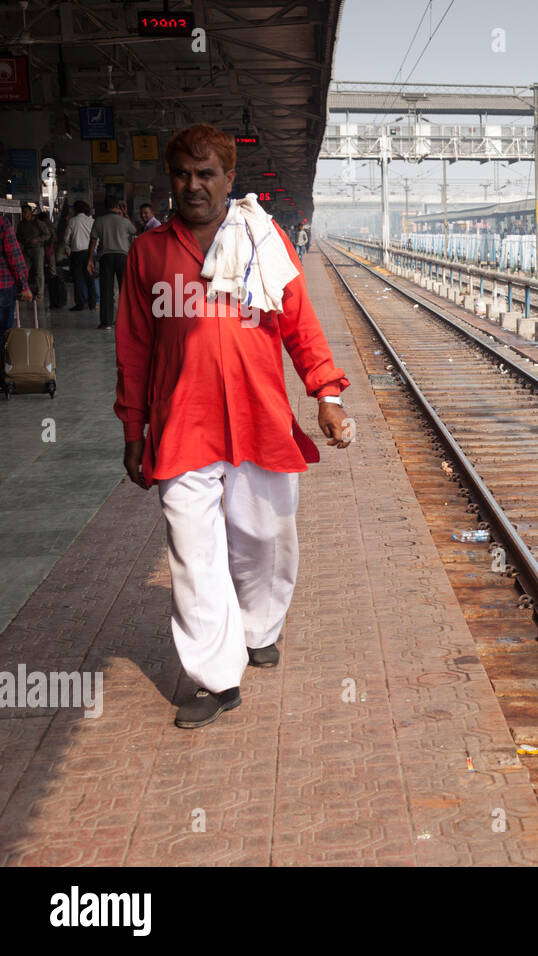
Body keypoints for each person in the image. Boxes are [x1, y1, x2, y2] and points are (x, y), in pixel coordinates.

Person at [114, 123, 352, 729]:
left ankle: (259, 628)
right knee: (193, 557)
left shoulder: (264, 241)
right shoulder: (148, 254)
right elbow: (134, 347)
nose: (193, 186)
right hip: (181, 428)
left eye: (206, 174)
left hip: (259, 420)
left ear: (229, 178)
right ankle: (215, 678)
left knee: (265, 538)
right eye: (182, 175)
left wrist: (325, 393)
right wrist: (132, 430)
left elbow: (300, 324)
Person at [88, 200, 137, 330]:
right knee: (125, 290)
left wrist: (90, 260)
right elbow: (134, 230)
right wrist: (126, 214)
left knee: (106, 290)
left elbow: (93, 240)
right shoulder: (124, 221)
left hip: (106, 257)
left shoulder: (99, 220)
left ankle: (106, 322)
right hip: (123, 257)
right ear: (117, 207)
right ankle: (127, 321)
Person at [0, 213, 34, 331]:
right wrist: (24, 286)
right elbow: (14, 257)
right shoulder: (2, 223)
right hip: (2, 285)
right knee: (3, 332)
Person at [16, 204, 53, 303]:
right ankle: (24, 290)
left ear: (30, 212)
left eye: (26, 212)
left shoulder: (38, 223)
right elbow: (17, 236)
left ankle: (40, 293)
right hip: (26, 249)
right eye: (23, 212)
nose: (24, 214)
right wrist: (23, 240)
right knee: (23, 271)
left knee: (39, 271)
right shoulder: (21, 224)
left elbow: (47, 235)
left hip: (38, 249)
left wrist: (37, 239)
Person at [64, 200, 96, 311]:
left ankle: (80, 304)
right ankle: (92, 304)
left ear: (75, 210)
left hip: (76, 254)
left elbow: (66, 238)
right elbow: (96, 238)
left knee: (77, 280)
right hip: (89, 253)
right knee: (90, 279)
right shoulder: (91, 221)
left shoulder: (72, 221)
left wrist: (70, 244)